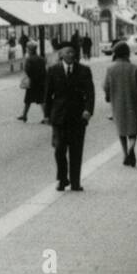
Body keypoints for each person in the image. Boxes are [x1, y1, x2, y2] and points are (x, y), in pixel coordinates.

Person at [44, 42, 95, 191]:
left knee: (76, 150)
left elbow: (90, 93)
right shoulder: (53, 71)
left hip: (78, 117)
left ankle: (75, 182)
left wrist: (88, 111)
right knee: (59, 149)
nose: (71, 55)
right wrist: (47, 115)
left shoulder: (84, 70)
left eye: (73, 52)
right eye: (68, 52)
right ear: (60, 54)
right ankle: (62, 178)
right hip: (59, 117)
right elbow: (48, 95)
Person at [105, 42, 137, 166]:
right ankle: (132, 147)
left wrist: (108, 95)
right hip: (133, 102)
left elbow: (106, 86)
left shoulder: (110, 69)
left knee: (121, 130)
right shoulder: (135, 68)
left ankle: (125, 153)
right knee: (132, 130)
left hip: (117, 102)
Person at [19, 42, 47, 122]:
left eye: (27, 48)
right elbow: (44, 71)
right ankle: (46, 116)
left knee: (28, 100)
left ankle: (24, 115)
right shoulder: (41, 59)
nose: (26, 50)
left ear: (30, 50)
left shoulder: (29, 59)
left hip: (32, 82)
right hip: (41, 82)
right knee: (41, 100)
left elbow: (27, 70)